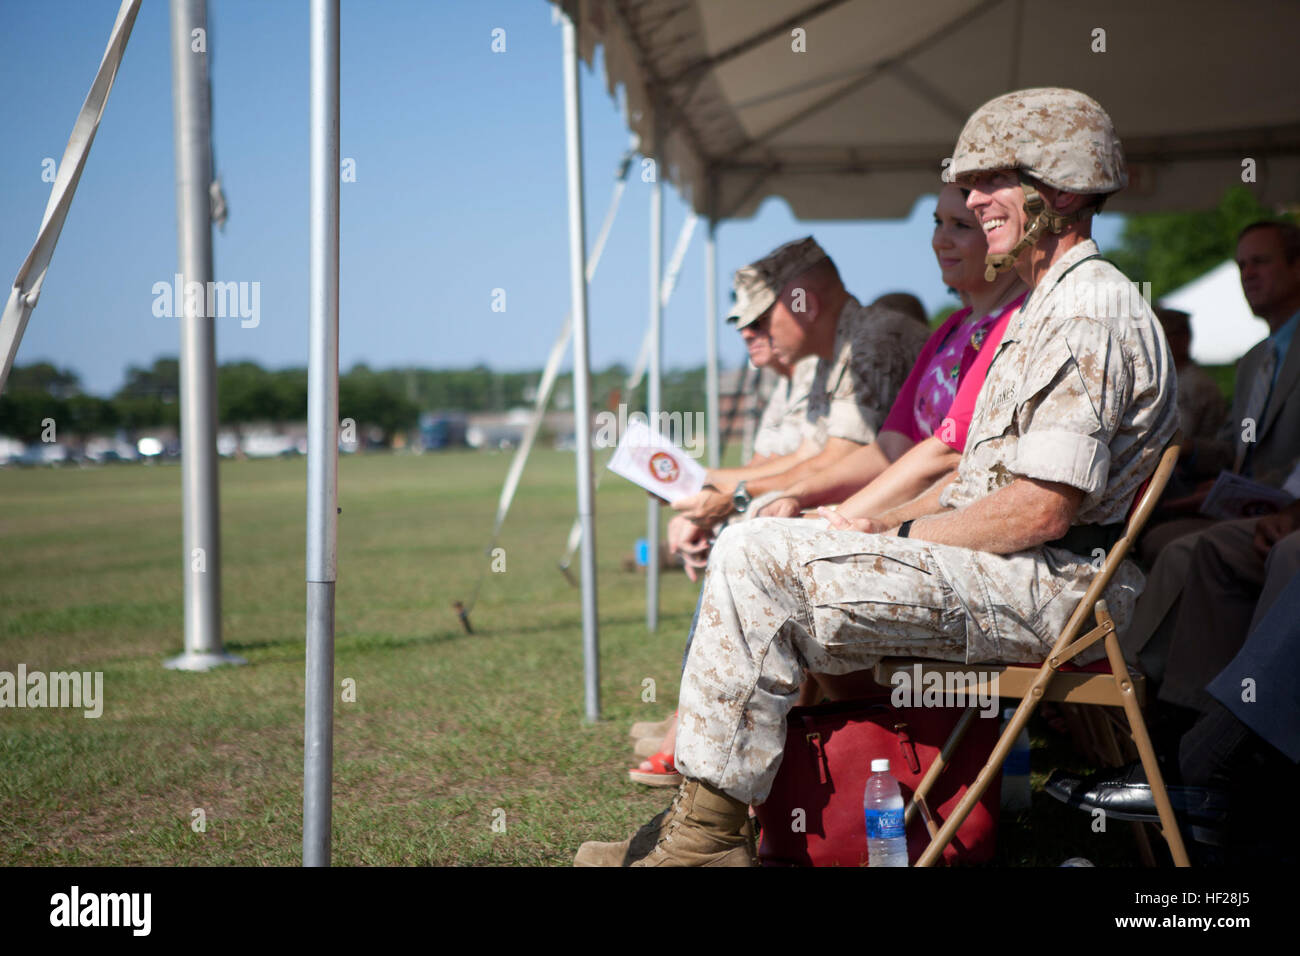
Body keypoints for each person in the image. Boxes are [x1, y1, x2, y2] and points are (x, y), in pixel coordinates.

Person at [577, 87, 1176, 866]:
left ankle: (706, 840)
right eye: (968, 185)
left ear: (1059, 189)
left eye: (992, 182)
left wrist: (894, 530)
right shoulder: (1042, 308)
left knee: (755, 561)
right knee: (770, 541)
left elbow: (1036, 512)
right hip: (1023, 572)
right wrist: (852, 525)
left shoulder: (1088, 309)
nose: (972, 199)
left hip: (1059, 588)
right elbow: (971, 479)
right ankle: (711, 826)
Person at [753, 184, 1027, 520]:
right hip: (922, 514)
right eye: (937, 223)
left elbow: (946, 454)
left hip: (960, 523)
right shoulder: (953, 328)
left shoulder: (1015, 323)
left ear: (1000, 233)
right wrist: (795, 496)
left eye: (961, 226)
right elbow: (890, 448)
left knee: (756, 544)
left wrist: (840, 521)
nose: (940, 240)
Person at [667, 238, 929, 531]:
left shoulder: (870, 343)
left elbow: (835, 461)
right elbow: (807, 456)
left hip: (913, 517)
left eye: (761, 320)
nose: (751, 334)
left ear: (805, 306)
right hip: (892, 510)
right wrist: (712, 481)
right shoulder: (831, 355)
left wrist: (736, 492)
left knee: (758, 525)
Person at [1139, 221, 1300, 560]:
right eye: (1242, 265)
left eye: (1261, 261)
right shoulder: (1254, 360)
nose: (1248, 274)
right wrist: (1184, 448)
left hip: (1283, 515)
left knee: (1173, 551)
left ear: (1297, 265)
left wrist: (1247, 494)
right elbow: (1232, 449)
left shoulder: (1253, 362)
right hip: (1239, 509)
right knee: (1145, 531)